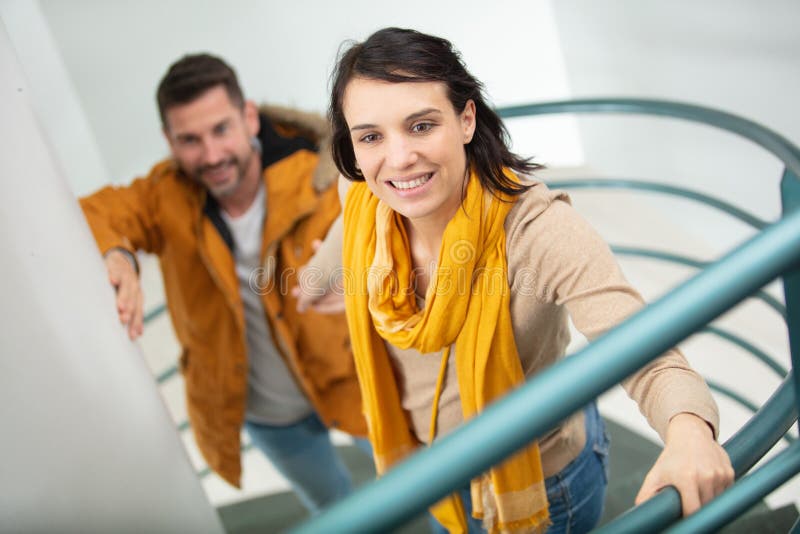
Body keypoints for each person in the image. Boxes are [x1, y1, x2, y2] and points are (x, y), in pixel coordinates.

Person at [295, 28, 734, 533]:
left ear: (466, 119)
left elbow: (643, 347)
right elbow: (333, 249)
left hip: (543, 485)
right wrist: (325, 283)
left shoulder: (538, 231)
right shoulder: (363, 200)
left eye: (421, 126)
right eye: (371, 136)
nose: (398, 158)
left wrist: (690, 433)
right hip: (433, 476)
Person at [79, 53, 369, 515]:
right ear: (169, 141)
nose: (211, 155)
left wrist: (363, 281)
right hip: (270, 417)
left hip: (359, 379)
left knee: (433, 487)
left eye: (220, 130)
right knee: (336, 512)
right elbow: (91, 213)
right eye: (190, 140)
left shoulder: (326, 175)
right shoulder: (163, 196)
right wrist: (117, 253)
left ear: (249, 117)